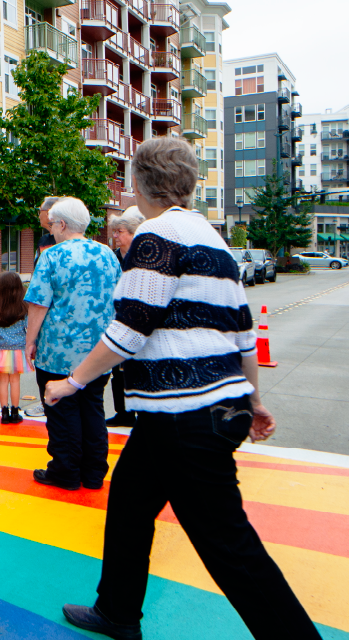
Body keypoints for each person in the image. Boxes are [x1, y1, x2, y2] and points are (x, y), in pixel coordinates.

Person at [46, 137, 320, 640]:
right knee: (129, 505)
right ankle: (117, 612)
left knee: (230, 548)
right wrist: (253, 399)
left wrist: (72, 381)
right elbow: (242, 333)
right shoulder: (212, 240)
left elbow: (131, 328)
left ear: (137, 183)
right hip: (195, 413)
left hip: (184, 417)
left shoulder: (156, 235)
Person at [24, 197, 122, 491]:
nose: (51, 229)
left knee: (62, 410)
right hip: (100, 351)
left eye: (53, 223)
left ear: (63, 224)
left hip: (58, 351)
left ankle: (65, 471)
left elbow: (38, 304)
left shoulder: (52, 256)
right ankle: (93, 473)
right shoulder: (108, 254)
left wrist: (30, 341)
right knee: (93, 408)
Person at [104, 207, 145, 428]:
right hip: (116, 320)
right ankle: (123, 413)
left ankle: (142, 413)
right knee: (117, 371)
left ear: (133, 233)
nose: (115, 236)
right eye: (114, 232)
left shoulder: (144, 257)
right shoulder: (112, 258)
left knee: (138, 369)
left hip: (139, 322)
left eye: (119, 231)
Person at [24, 196, 61, 420]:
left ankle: (50, 402)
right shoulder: (44, 239)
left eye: (40, 210)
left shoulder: (55, 242)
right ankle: (46, 400)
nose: (38, 214)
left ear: (49, 213)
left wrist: (30, 338)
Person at [0, 271, 29, 424]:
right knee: (15, 381)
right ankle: (15, 412)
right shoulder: (23, 306)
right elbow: (28, 328)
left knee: (3, 381)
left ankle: (4, 413)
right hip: (18, 348)